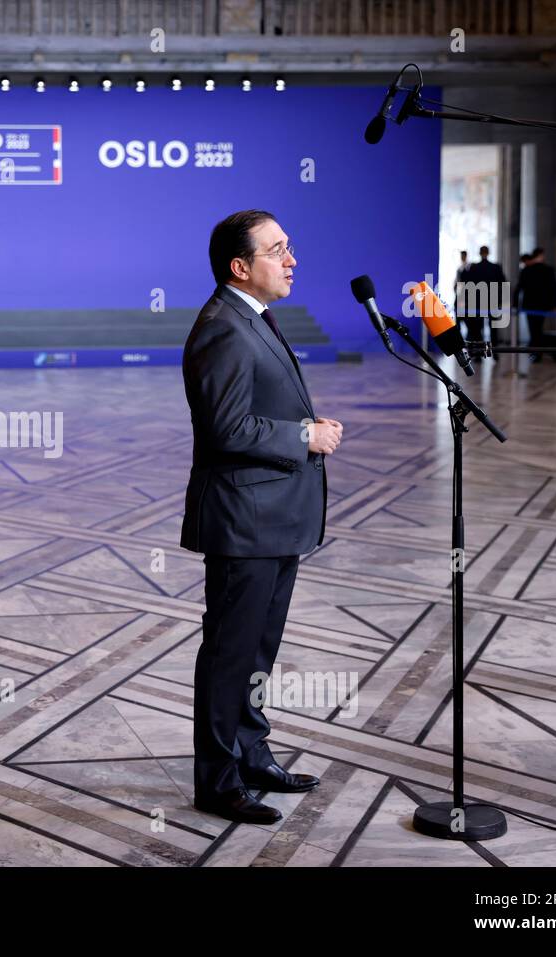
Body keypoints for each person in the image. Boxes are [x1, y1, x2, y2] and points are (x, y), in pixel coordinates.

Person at [180, 209, 339, 825]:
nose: (291, 260)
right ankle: (218, 781)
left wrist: (302, 427)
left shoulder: (252, 319)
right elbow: (225, 428)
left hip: (272, 519)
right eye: (277, 250)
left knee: (257, 650)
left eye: (289, 247)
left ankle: (251, 754)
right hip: (243, 521)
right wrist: (304, 435)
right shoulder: (222, 327)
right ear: (239, 267)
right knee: (230, 654)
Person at [515, 247, 556, 362]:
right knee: (538, 328)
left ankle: (535, 352)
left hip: (529, 305)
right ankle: (537, 352)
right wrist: (553, 304)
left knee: (533, 329)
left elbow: (519, 288)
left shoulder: (526, 270)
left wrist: (515, 305)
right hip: (542, 305)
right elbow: (553, 289)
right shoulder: (548, 270)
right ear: (541, 255)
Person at [461, 245, 507, 349]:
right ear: (488, 253)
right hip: (493, 301)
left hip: (478, 302)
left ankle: (479, 351)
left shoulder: (474, 268)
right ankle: (494, 350)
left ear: (480, 253)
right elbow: (503, 284)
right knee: (493, 328)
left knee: (477, 328)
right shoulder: (495, 267)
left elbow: (468, 285)